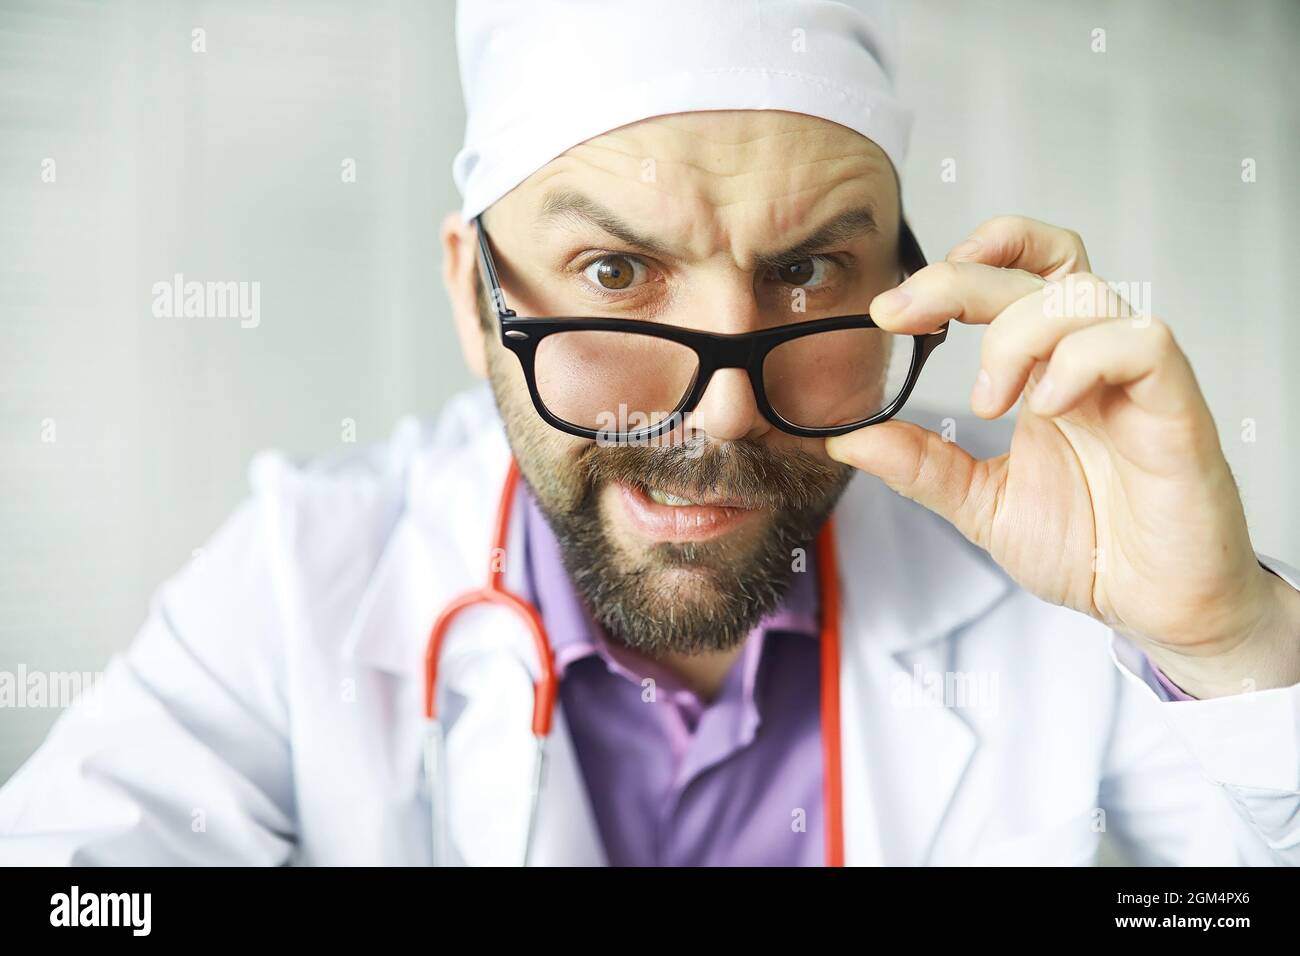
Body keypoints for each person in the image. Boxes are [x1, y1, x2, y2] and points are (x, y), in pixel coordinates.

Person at [2, 0, 1298, 866]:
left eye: (809, 270)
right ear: (476, 292)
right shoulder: (305, 574)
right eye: (618, 274)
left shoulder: (1051, 558)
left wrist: (1228, 639)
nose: (725, 408)